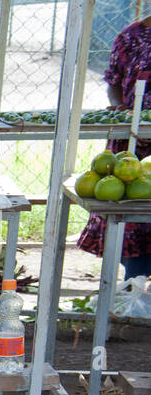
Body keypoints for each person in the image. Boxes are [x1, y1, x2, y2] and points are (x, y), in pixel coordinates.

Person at [78, 15, 151, 279]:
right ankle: (135, 284)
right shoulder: (130, 37)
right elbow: (115, 84)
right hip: (132, 147)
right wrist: (127, 116)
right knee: (131, 214)